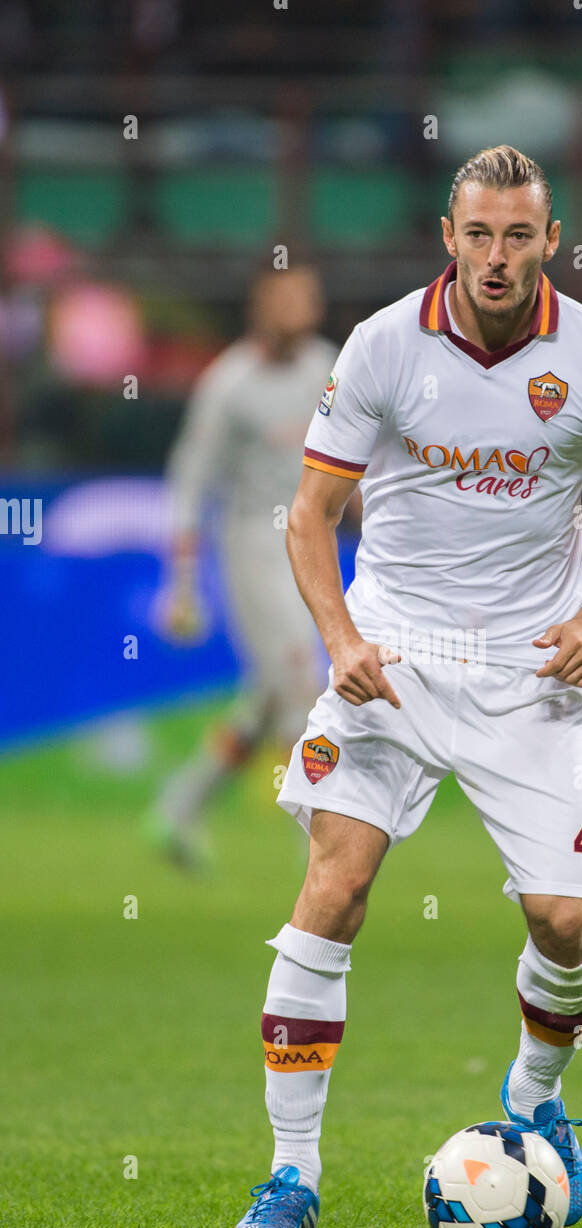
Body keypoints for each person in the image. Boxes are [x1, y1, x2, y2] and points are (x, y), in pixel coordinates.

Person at [229, 147, 582, 1228]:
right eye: (479, 235)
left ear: (549, 240)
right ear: (447, 235)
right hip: (397, 656)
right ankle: (291, 1176)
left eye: (518, 235)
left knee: (565, 925)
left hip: (530, 671)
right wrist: (341, 639)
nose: (497, 257)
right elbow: (308, 515)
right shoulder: (381, 345)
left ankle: (534, 1095)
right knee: (333, 888)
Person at [149, 264, 340, 866]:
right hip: (255, 542)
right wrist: (180, 584)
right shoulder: (228, 384)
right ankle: (318, 842)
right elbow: (190, 483)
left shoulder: (325, 367)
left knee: (267, 698)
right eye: (289, 295)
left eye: (308, 295)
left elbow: (356, 452)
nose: (302, 305)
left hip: (314, 538)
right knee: (300, 676)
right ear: (263, 304)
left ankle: (176, 810)